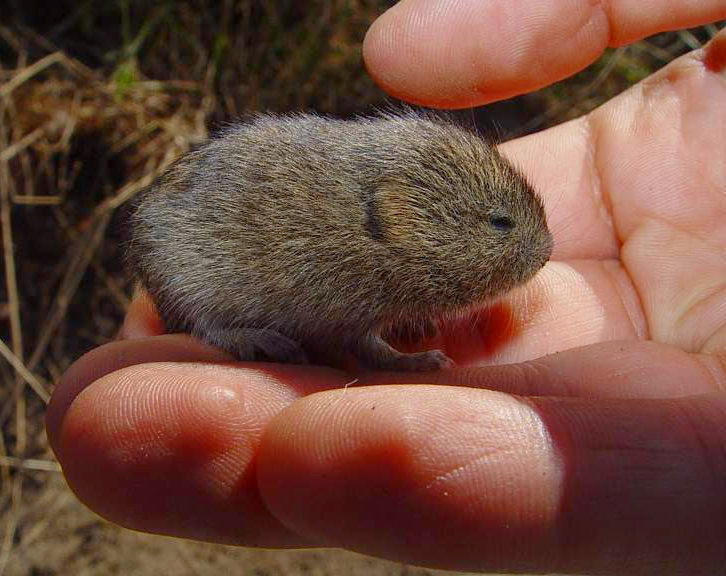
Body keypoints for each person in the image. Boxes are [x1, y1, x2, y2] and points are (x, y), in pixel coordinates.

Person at [46, 1, 726, 574]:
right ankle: (214, 330)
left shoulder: (391, 246)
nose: (536, 255)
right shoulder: (351, 256)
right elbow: (338, 318)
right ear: (402, 221)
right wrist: (386, 353)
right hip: (192, 238)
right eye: (497, 227)